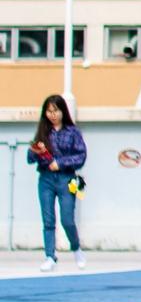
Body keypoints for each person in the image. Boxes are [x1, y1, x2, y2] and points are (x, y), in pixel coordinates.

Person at [27, 93, 87, 272]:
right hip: (45, 179)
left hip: (67, 179)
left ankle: (76, 248)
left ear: (63, 111)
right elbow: (30, 158)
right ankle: (49, 256)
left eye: (56, 110)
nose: (52, 114)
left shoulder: (73, 132)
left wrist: (60, 163)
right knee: (48, 220)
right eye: (49, 111)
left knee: (67, 219)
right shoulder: (42, 132)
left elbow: (81, 156)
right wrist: (36, 151)